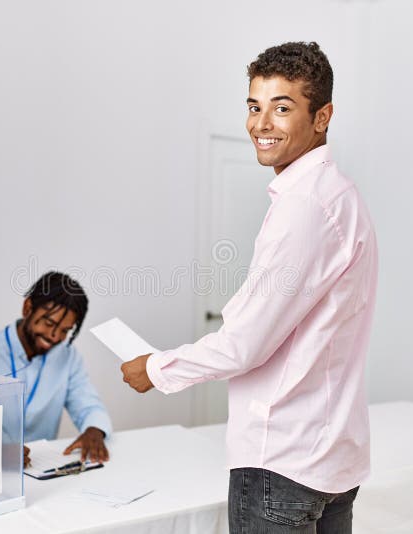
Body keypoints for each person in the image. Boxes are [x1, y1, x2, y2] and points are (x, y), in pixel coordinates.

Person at [121, 42, 378, 533]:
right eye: (254, 107)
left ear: (322, 116)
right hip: (332, 460)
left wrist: (156, 369)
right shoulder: (342, 196)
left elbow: (245, 345)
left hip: (282, 461)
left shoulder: (303, 207)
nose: (261, 124)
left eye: (282, 108)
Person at [0, 271, 111, 468]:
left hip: (39, 470)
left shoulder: (68, 356)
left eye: (64, 330)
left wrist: (94, 430)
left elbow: (89, 406)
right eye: (49, 323)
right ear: (28, 308)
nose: (54, 337)